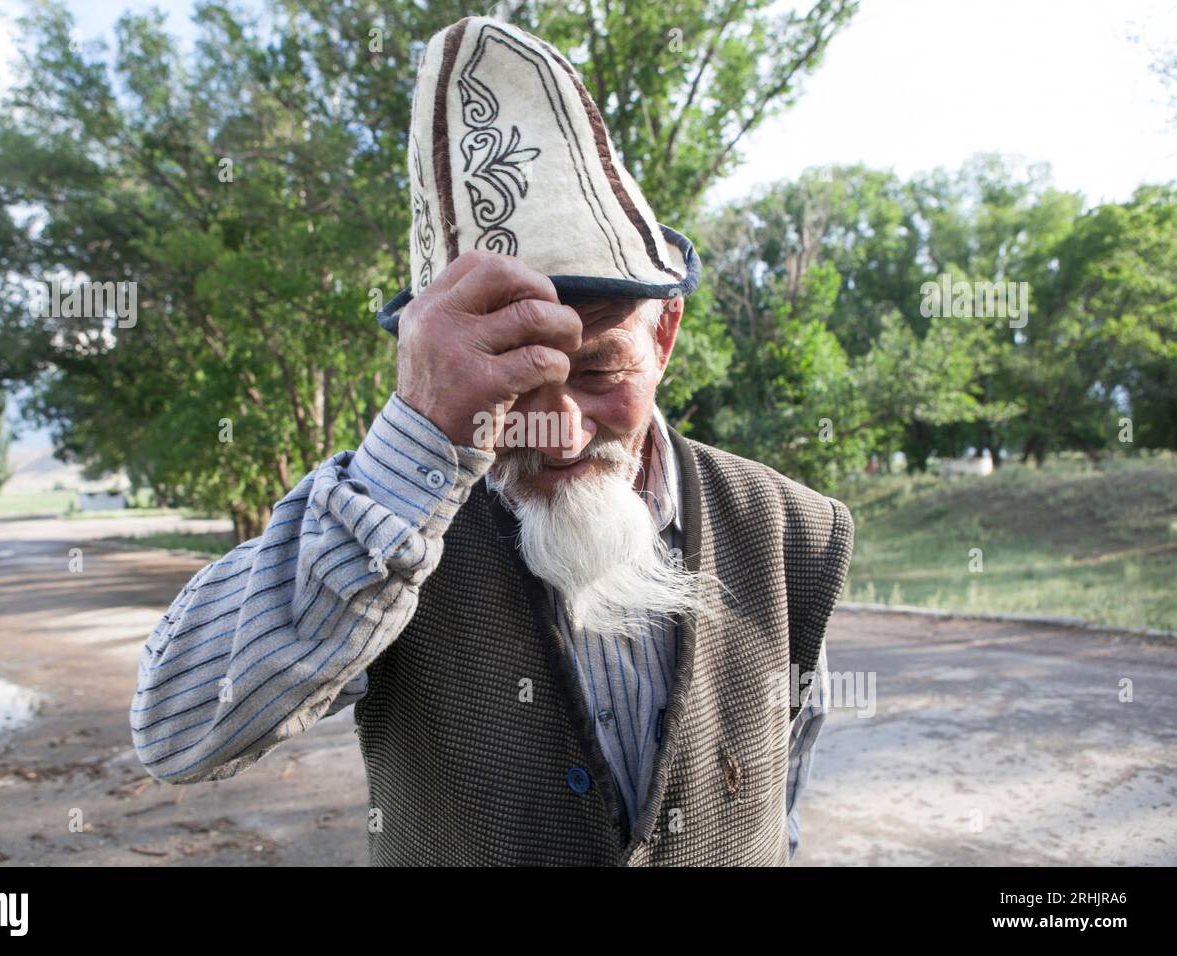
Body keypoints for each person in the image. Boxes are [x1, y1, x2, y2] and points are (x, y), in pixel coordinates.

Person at [130, 15, 852, 866]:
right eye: (508, 388)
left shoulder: (787, 531)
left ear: (663, 340)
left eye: (596, 371)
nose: (561, 431)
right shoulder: (386, 527)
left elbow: (783, 795)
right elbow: (175, 730)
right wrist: (416, 441)